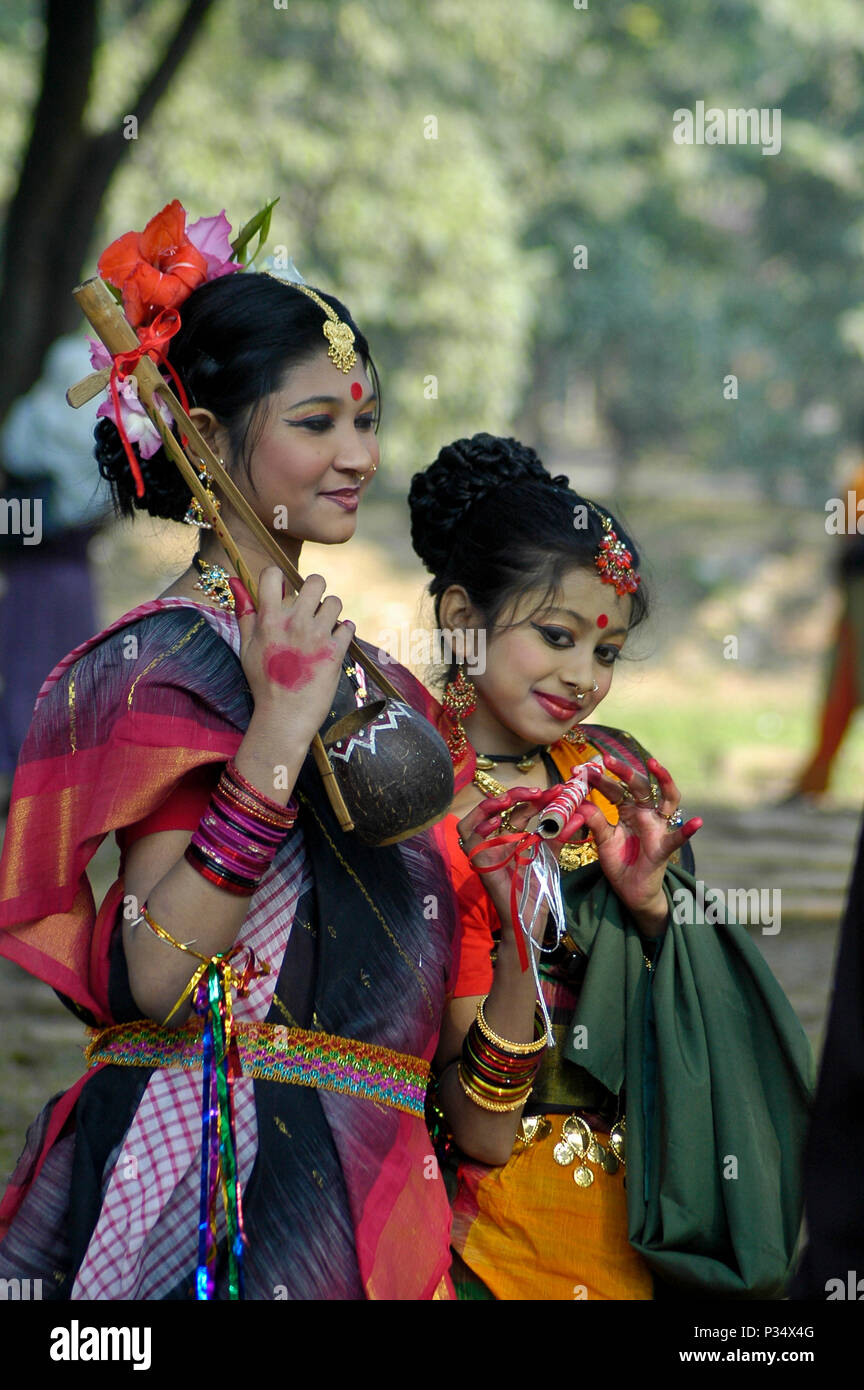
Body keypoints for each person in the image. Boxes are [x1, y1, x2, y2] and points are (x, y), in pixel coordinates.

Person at [0, 200, 461, 1300]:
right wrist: (276, 738)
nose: (360, 454)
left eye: (367, 419)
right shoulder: (171, 661)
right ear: (202, 435)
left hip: (373, 1161)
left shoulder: (367, 672)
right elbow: (154, 979)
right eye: (317, 423)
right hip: (221, 1173)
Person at [408, 433, 814, 1300]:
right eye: (557, 636)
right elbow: (479, 1128)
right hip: (476, 1230)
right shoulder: (411, 800)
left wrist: (655, 909)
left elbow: (701, 1030)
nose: (582, 677)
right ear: (461, 620)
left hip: (641, 1219)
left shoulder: (614, 781)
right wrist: (518, 930)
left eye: (606, 652)